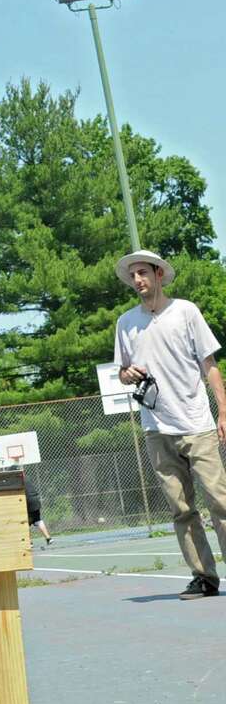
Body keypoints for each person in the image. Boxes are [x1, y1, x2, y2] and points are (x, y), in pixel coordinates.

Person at [115, 249, 226, 601]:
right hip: (156, 429)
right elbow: (121, 372)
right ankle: (204, 576)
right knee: (181, 509)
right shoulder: (126, 323)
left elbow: (209, 364)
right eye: (133, 275)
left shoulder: (186, 311)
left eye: (143, 273)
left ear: (159, 274)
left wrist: (223, 411)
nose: (137, 281)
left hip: (197, 424)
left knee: (220, 501)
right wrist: (127, 374)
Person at [23, 467, 53, 545]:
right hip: (35, 500)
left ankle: (30, 542)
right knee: (38, 520)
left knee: (25, 522)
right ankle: (48, 538)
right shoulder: (27, 478)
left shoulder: (18, 480)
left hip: (28, 501)